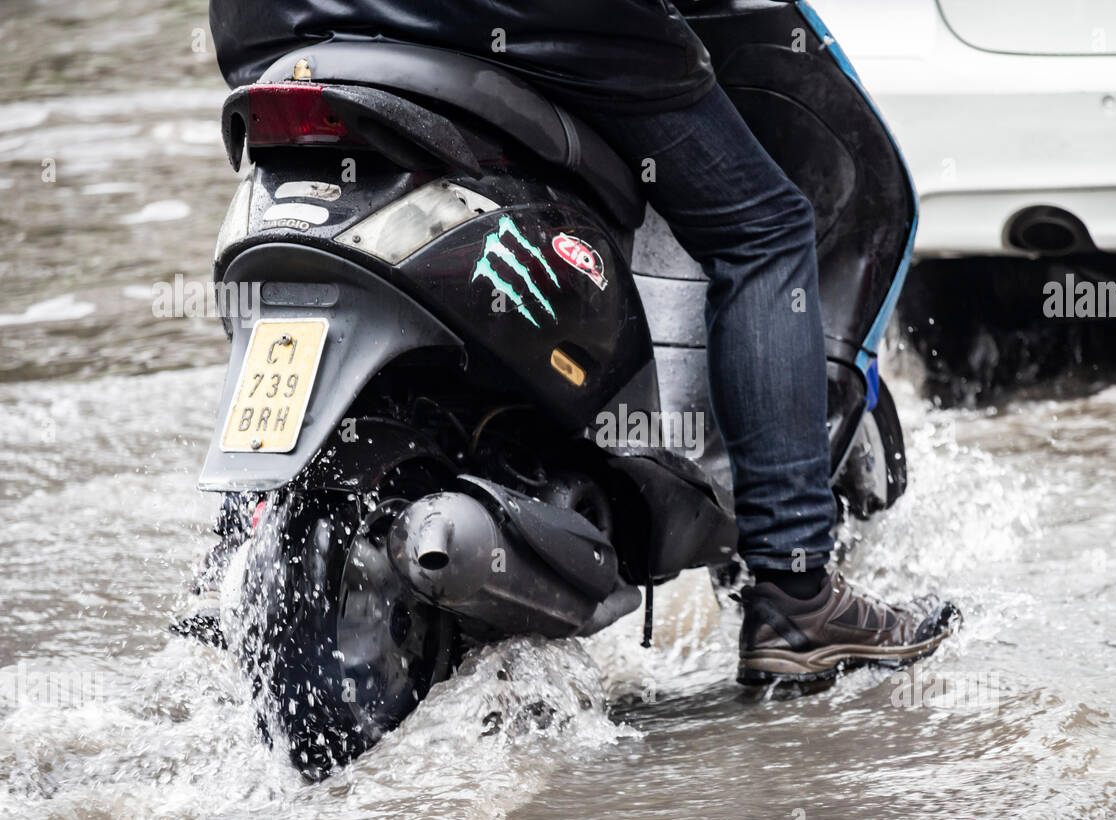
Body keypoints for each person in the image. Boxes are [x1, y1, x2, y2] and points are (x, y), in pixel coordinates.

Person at [195, 0, 959, 684]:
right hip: (513, 19)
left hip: (269, 24)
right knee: (763, 227)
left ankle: (229, 570)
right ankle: (798, 599)